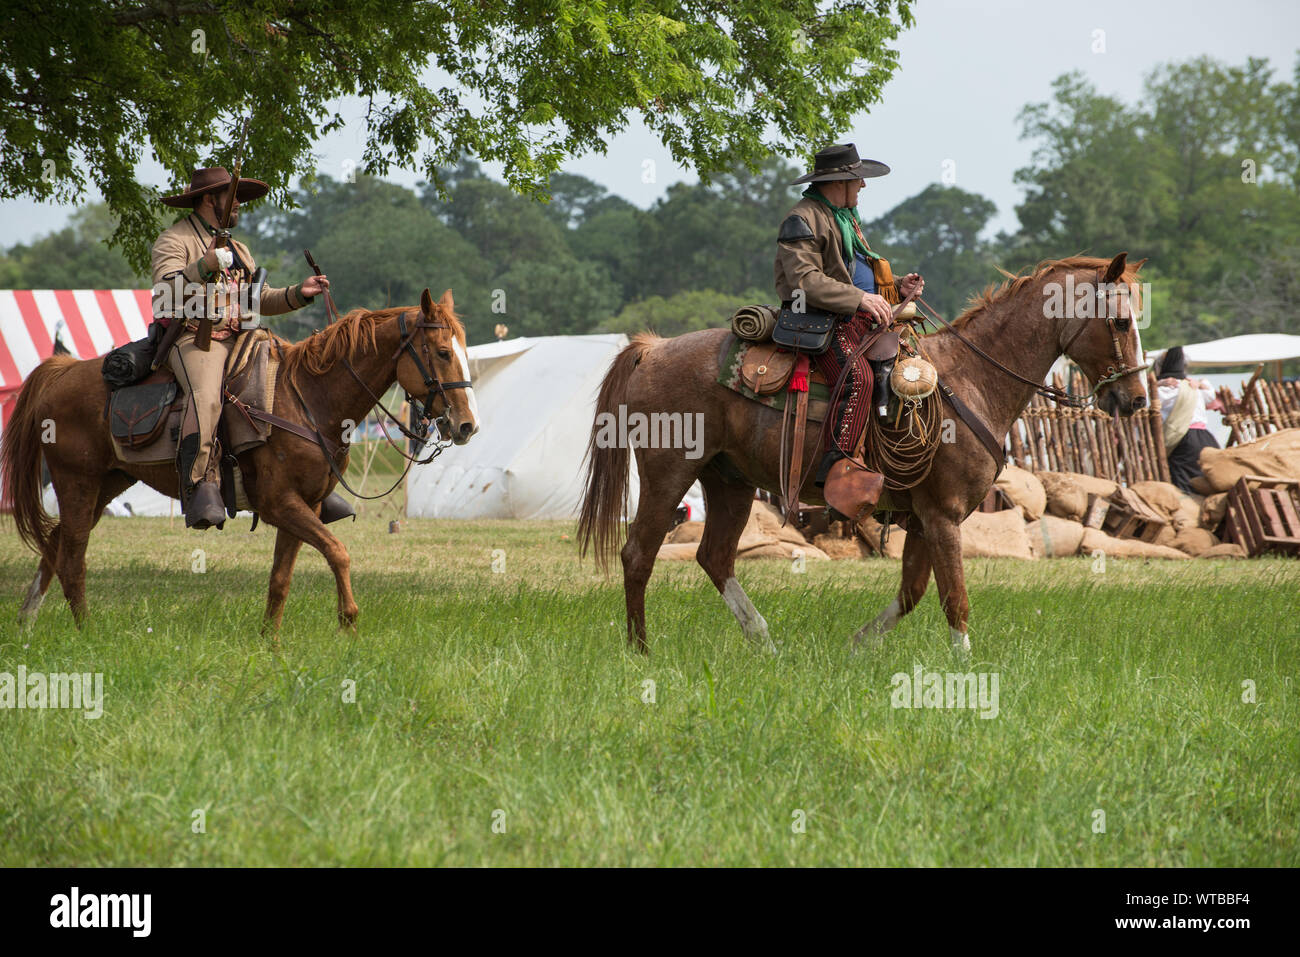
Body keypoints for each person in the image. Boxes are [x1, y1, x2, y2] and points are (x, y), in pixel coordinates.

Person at [151, 167, 332, 528]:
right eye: (231, 198)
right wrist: (203, 265)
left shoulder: (238, 247)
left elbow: (258, 299)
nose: (238, 205)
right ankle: (200, 486)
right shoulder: (174, 240)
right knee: (207, 399)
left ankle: (314, 483)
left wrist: (299, 291)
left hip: (245, 338)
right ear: (208, 200)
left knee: (297, 382)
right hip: (196, 339)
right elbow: (164, 295)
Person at [773, 143, 924, 507]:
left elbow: (853, 272)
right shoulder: (802, 218)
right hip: (822, 319)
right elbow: (803, 280)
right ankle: (837, 468)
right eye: (858, 180)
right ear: (839, 182)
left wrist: (896, 285)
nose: (863, 187)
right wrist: (860, 299)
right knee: (859, 377)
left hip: (859, 317)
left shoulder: (844, 218)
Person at [1155, 346, 1221, 494]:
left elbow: (1145, 398)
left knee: (1184, 487)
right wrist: (1200, 383)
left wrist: (1156, 383)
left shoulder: (1165, 389)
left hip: (1182, 440)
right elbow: (1210, 394)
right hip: (1205, 439)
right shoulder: (1194, 388)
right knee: (1207, 483)